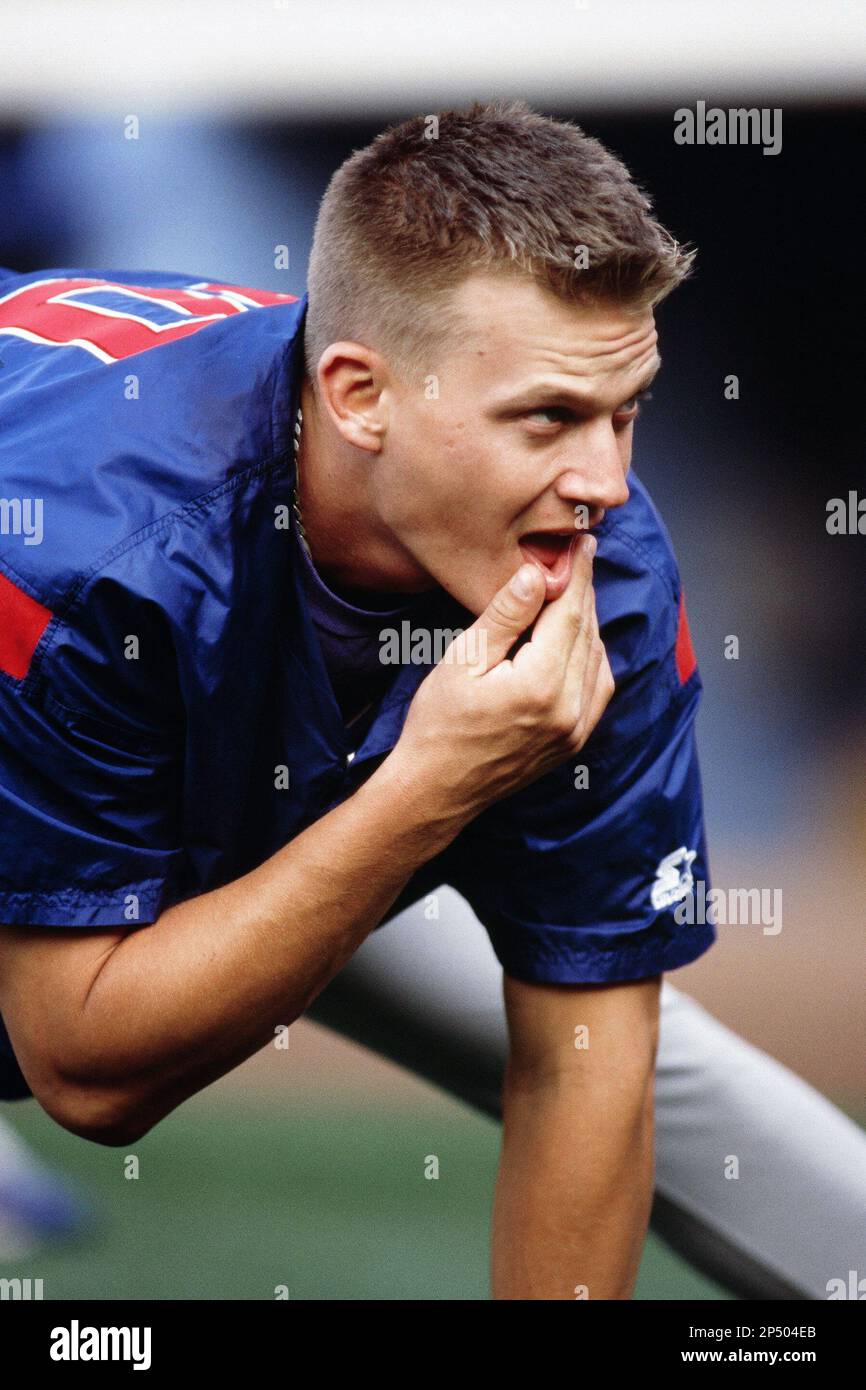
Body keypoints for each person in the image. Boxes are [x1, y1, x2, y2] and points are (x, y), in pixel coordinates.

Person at [0, 100, 862, 1299]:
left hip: (275, 779)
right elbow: (90, 1074)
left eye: (626, 410)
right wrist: (426, 786)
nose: (605, 482)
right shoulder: (76, 552)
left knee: (684, 1080)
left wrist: (411, 790)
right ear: (358, 397)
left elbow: (585, 1050)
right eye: (547, 418)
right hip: (81, 679)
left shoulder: (598, 562)